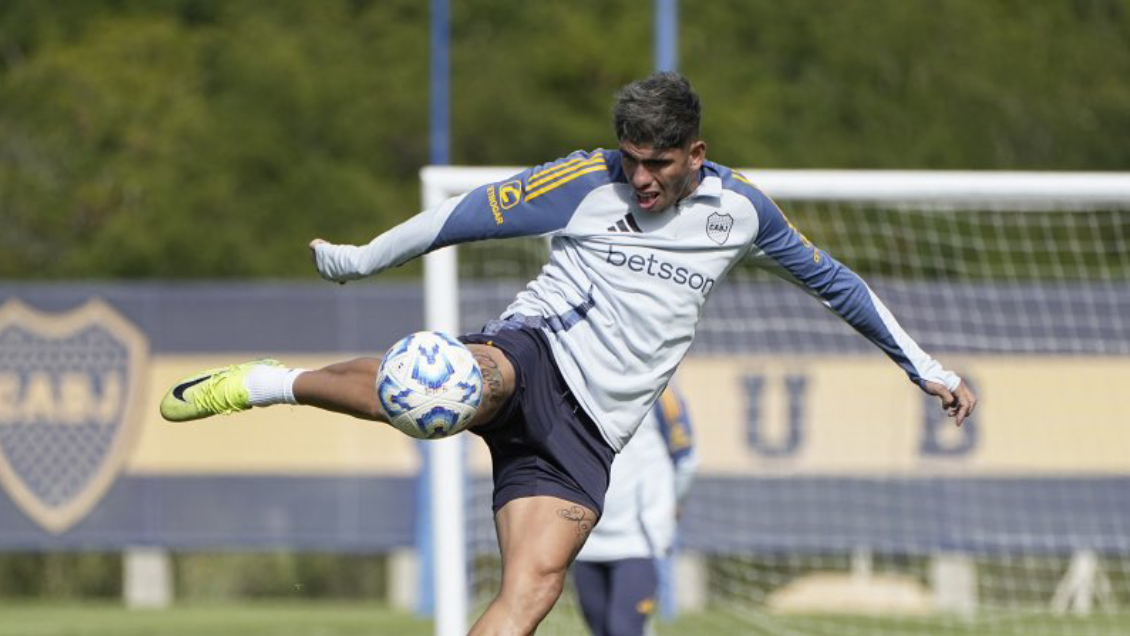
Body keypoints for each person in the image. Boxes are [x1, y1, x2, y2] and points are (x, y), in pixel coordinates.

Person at [159, 71, 976, 636]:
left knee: (532, 593)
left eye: (659, 163)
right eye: (632, 159)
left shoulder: (743, 213)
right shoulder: (588, 181)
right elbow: (465, 213)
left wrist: (926, 368)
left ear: (696, 153)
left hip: (589, 437)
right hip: (534, 356)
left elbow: (837, 284)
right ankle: (266, 382)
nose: (642, 178)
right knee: (436, 388)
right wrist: (363, 257)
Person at [571, 385, 696, 636]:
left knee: (624, 629)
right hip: (584, 539)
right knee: (602, 630)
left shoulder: (660, 391)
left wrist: (672, 505)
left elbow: (686, 461)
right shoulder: (573, 382)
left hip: (638, 541)